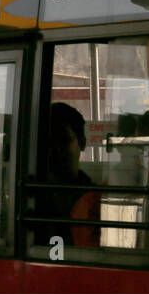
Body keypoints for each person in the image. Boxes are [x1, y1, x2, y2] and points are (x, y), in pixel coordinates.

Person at [35, 102, 101, 248]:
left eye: (64, 140)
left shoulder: (93, 200)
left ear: (82, 143)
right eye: (50, 141)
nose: (56, 149)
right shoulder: (33, 195)